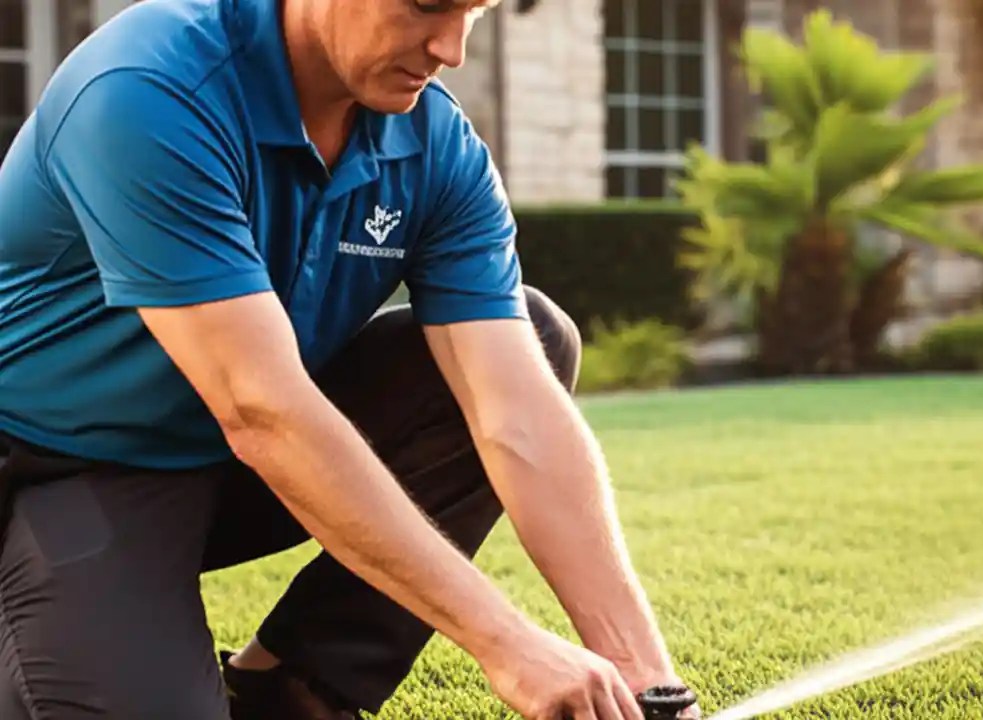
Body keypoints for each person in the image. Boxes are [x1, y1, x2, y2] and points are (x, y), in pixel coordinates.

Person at [0, 0, 699, 718]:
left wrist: (644, 677)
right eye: (428, 5)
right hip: (57, 468)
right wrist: (510, 646)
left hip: (220, 460)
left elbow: (516, 412)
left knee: (537, 338)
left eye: (475, 11)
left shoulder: (434, 144)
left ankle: (290, 686)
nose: (451, 48)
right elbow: (261, 409)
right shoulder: (149, 87)